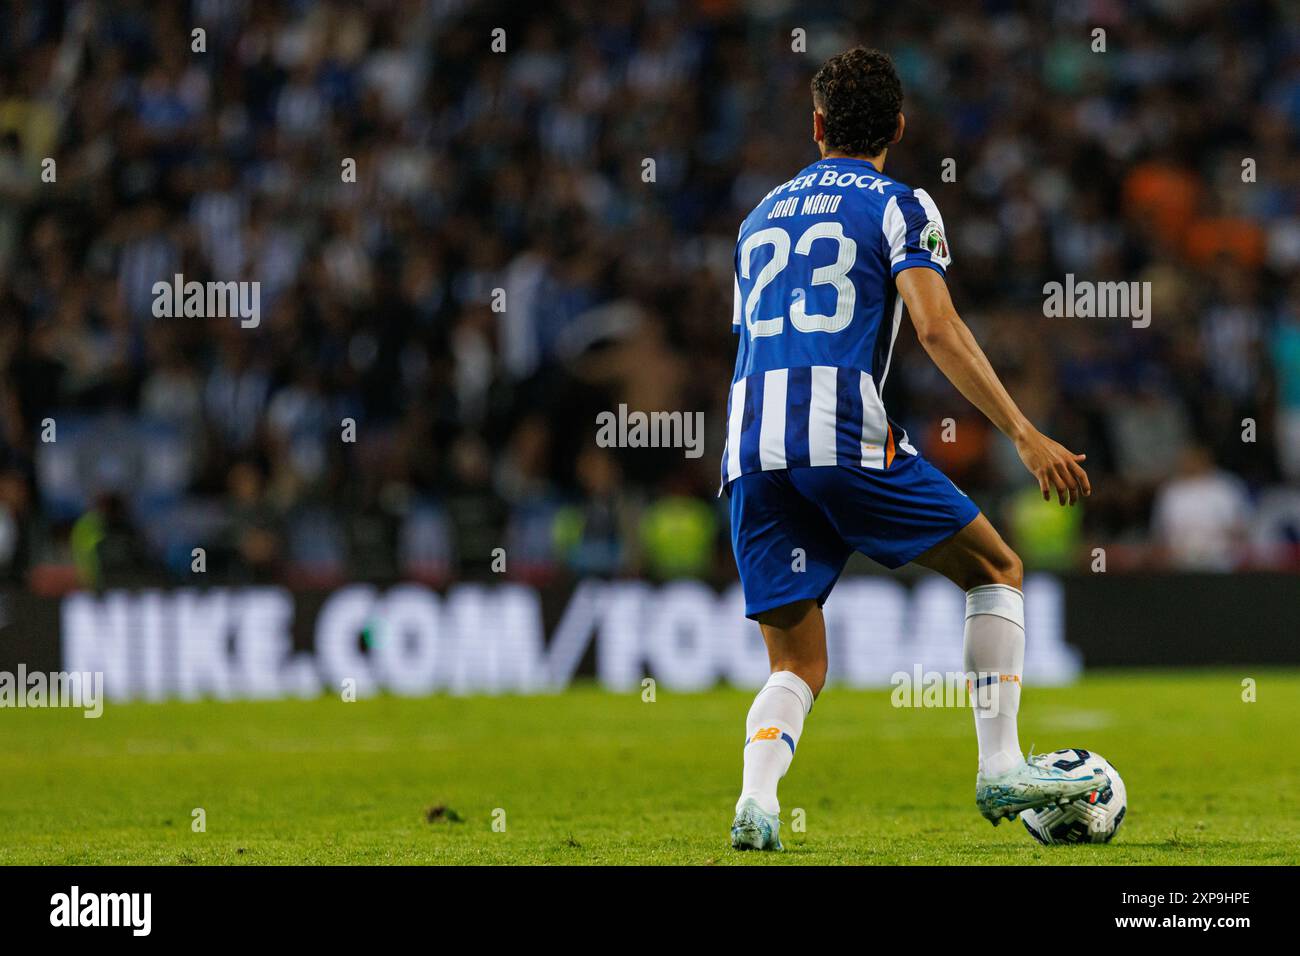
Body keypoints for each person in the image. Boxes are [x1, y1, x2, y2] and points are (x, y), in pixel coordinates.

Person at [722, 48, 1105, 851]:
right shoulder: (902, 204)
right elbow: (935, 326)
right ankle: (1000, 763)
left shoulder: (757, 218)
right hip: (840, 432)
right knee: (995, 567)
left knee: (795, 664)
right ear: (897, 126)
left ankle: (757, 801)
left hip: (750, 442)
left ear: (817, 124)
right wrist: (1025, 433)